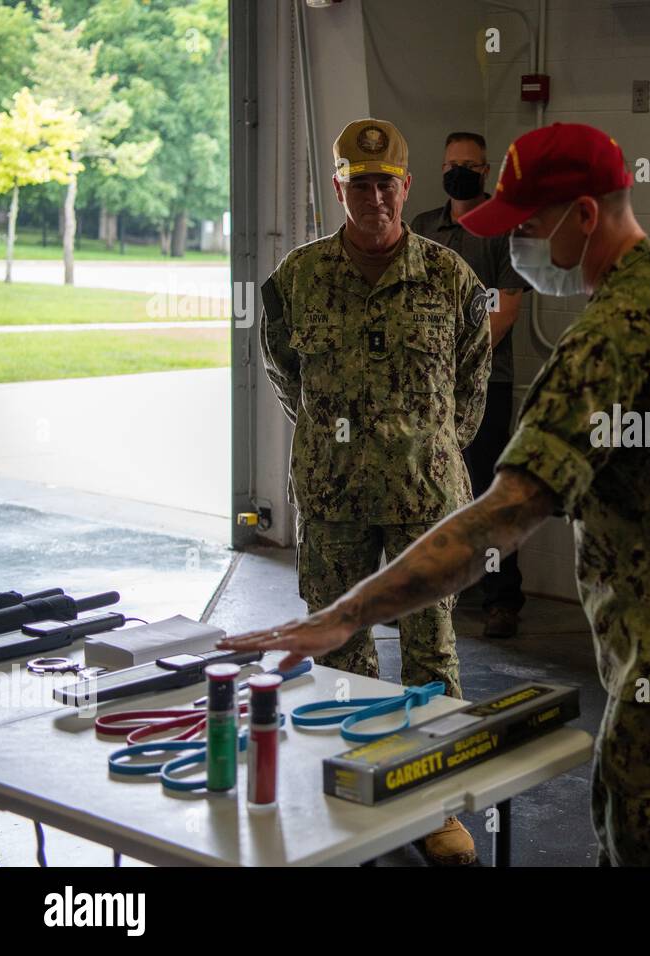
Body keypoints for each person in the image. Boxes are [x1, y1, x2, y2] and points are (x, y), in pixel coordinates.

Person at [227, 122, 650, 866]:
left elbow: (503, 518)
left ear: (582, 214)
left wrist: (345, 615)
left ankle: (428, 810)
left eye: (526, 227)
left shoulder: (613, 336)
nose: (515, 249)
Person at [258, 117, 490, 863]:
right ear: (339, 189)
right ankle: (350, 803)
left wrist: (421, 447)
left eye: (386, 184)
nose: (374, 198)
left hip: (426, 504)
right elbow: (285, 375)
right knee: (339, 659)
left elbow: (471, 390)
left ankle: (437, 807)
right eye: (358, 186)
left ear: (406, 187)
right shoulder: (296, 278)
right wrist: (337, 443)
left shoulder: (452, 278)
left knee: (432, 656)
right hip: (332, 502)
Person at [411, 132, 528, 639]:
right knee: (424, 489)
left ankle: (501, 599)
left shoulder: (505, 230)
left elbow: (506, 307)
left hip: (484, 383)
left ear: (486, 172)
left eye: (469, 165)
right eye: (451, 163)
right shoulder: (419, 227)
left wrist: (460, 362)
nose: (459, 171)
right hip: (422, 385)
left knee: (486, 491)